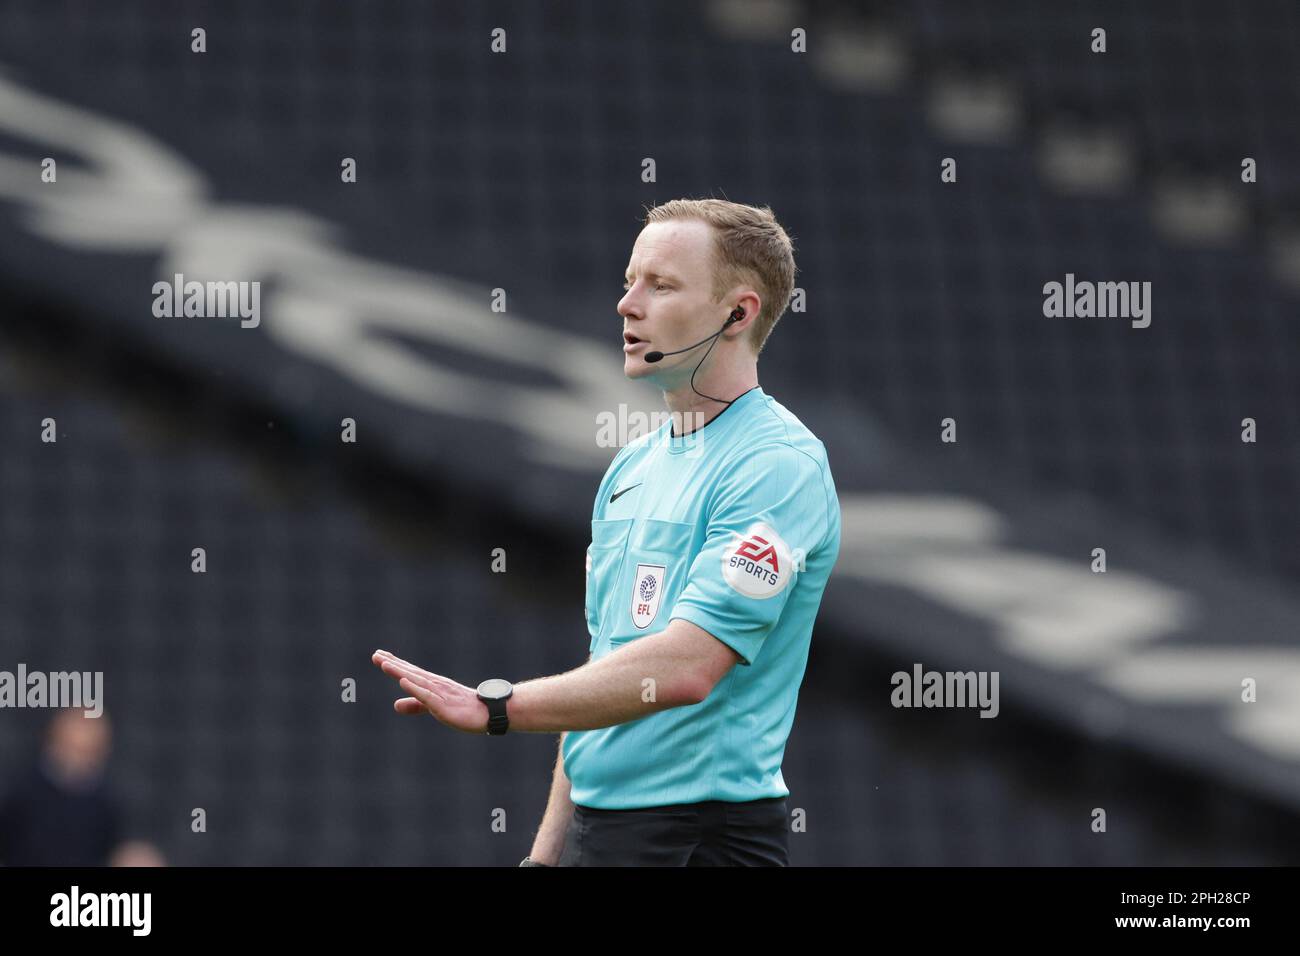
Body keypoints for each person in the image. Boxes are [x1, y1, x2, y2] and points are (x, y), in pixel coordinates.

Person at [372, 198, 841, 866]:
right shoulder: (632, 466)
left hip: (699, 840)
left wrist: (499, 706)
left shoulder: (777, 466)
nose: (627, 304)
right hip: (604, 834)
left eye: (661, 285)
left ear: (737, 313)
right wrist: (544, 854)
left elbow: (685, 669)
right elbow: (609, 665)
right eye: (629, 280)